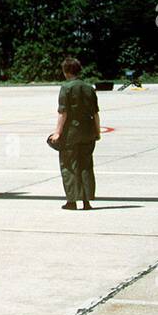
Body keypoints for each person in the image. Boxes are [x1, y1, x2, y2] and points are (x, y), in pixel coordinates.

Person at [51, 56, 100, 210]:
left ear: (66, 71)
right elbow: (96, 114)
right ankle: (86, 201)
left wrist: (57, 133)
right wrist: (97, 132)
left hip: (71, 134)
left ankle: (72, 201)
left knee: (69, 166)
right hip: (88, 132)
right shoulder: (89, 88)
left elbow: (63, 113)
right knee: (86, 165)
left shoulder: (66, 88)